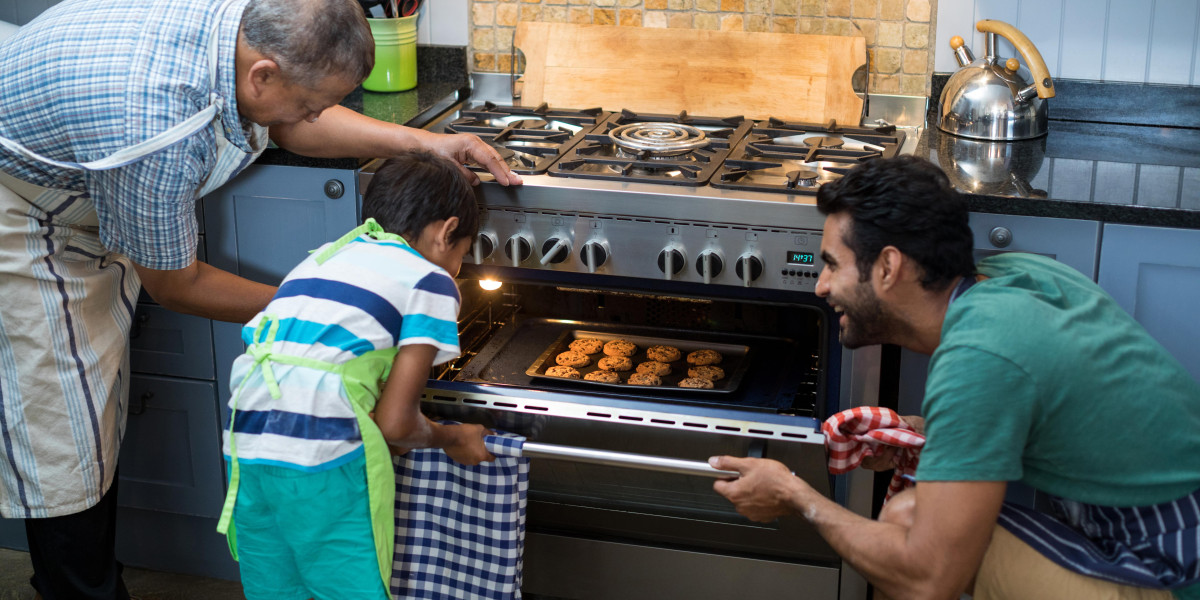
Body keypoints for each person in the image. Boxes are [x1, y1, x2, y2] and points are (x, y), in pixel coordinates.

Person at [0, 0, 518, 598]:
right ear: (262, 75)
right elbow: (176, 283)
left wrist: (422, 144)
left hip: (103, 182)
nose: (314, 115)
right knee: (64, 436)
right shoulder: (155, 125)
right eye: (310, 102)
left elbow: (291, 117)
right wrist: (328, 304)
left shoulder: (252, 33)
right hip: (33, 218)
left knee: (99, 422)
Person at [710, 156, 1200, 600]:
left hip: (1173, 569)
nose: (820, 287)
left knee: (910, 526)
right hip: (1142, 532)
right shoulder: (1010, 278)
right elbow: (1035, 403)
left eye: (832, 266)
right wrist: (923, 433)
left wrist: (795, 495)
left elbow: (930, 581)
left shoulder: (980, 352)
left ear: (887, 267)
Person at [217, 149, 493, 599]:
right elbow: (396, 426)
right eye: (463, 254)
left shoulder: (324, 258)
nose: (457, 269)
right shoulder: (431, 280)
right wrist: (454, 438)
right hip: (321, 458)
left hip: (245, 445)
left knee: (278, 590)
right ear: (448, 232)